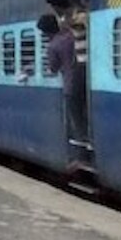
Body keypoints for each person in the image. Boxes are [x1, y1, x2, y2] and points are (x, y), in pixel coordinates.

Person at [33, 13, 89, 151]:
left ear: (46, 32)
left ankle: (81, 145)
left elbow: (53, 68)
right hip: (86, 80)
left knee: (76, 119)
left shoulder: (53, 46)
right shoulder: (71, 35)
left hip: (70, 85)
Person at [45, 0, 87, 66]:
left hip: (86, 58)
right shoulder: (63, 20)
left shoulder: (80, 15)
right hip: (77, 60)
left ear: (57, 7)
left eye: (53, 7)